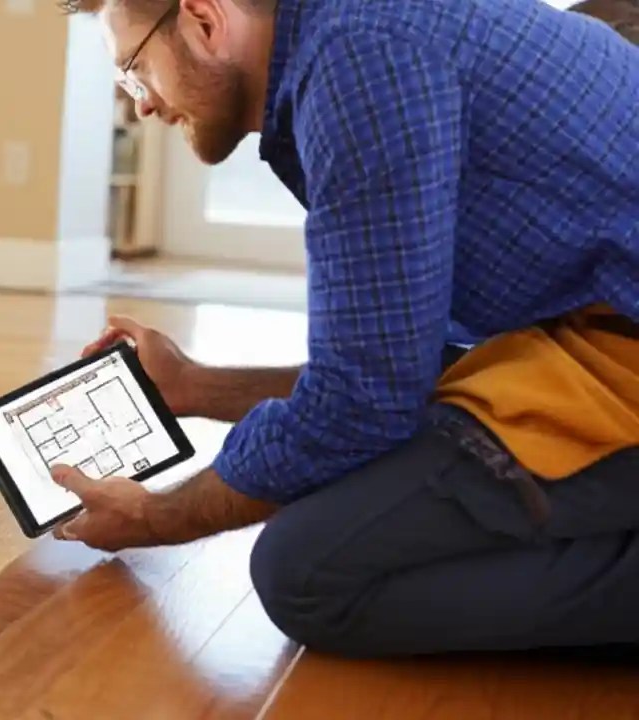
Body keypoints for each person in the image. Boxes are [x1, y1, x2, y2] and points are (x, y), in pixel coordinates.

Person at [46, 0, 639, 658]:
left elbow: (364, 401)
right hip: (594, 337)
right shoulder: (355, 33)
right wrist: (192, 386)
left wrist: (154, 516)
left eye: (135, 70)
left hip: (619, 353)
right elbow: (402, 362)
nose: (142, 105)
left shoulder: (361, 55)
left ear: (203, 17)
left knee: (306, 571)